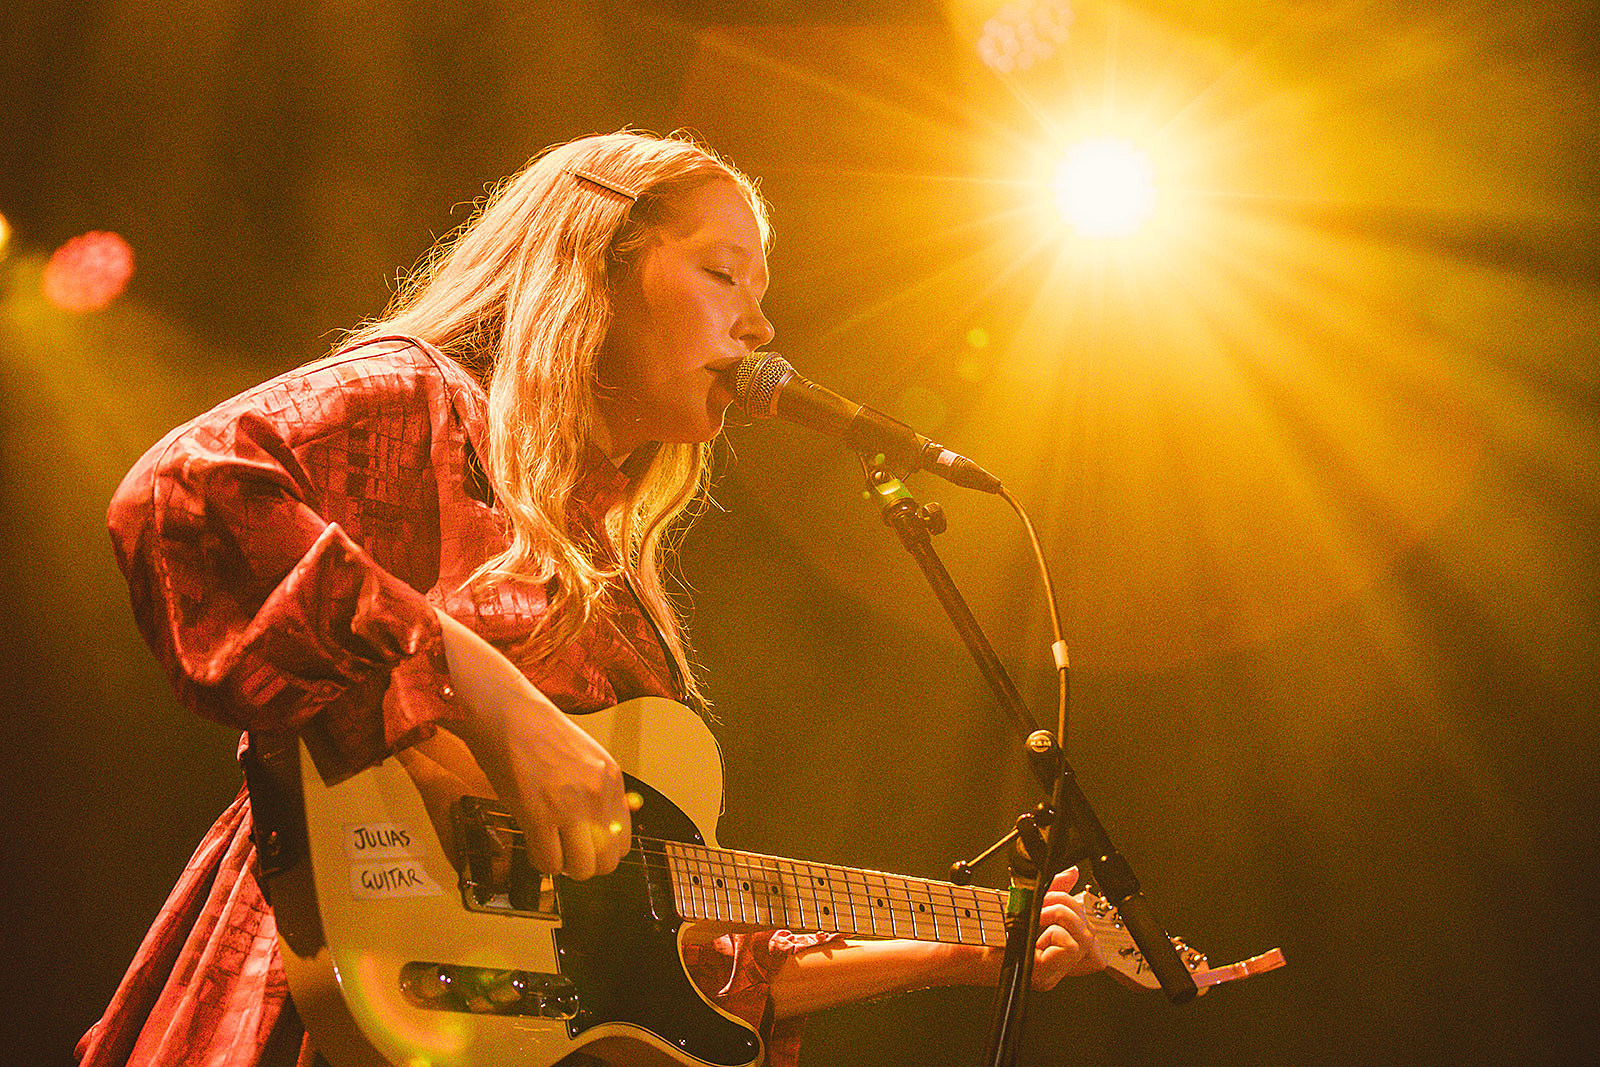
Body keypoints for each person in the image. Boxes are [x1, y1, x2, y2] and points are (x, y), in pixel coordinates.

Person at [78, 130, 1105, 1067]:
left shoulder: (612, 582)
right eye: (721, 272)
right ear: (593, 265)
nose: (759, 320)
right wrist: (482, 689)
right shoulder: (418, 404)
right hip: (323, 1006)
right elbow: (187, 491)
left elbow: (670, 972)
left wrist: (963, 945)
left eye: (760, 288)